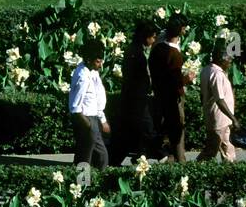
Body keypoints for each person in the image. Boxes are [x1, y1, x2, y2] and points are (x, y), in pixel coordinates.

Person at [113, 20, 161, 164]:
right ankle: (161, 154)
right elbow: (137, 79)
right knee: (146, 128)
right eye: (152, 37)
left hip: (135, 98)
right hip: (136, 99)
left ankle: (135, 156)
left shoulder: (136, 50)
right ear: (145, 37)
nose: (153, 40)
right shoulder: (136, 53)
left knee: (128, 133)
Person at [149, 18, 196, 162]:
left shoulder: (157, 48)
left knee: (168, 129)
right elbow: (174, 81)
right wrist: (187, 79)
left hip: (159, 94)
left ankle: (171, 158)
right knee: (177, 131)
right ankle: (180, 161)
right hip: (173, 97)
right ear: (181, 30)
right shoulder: (174, 54)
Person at [69, 40, 110, 173]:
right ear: (88, 59)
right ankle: (81, 185)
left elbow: (97, 99)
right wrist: (89, 126)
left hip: (94, 119)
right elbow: (75, 107)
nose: (100, 64)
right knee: (84, 158)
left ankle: (96, 183)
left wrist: (102, 120)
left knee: (101, 156)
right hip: (85, 120)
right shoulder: (82, 76)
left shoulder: (93, 72)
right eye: (98, 61)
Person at [198, 45, 238, 162]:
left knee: (226, 148)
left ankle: (231, 172)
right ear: (222, 59)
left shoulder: (206, 70)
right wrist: (233, 119)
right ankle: (194, 169)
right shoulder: (217, 74)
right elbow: (219, 99)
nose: (230, 62)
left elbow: (202, 96)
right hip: (220, 119)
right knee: (212, 150)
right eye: (229, 59)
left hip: (216, 117)